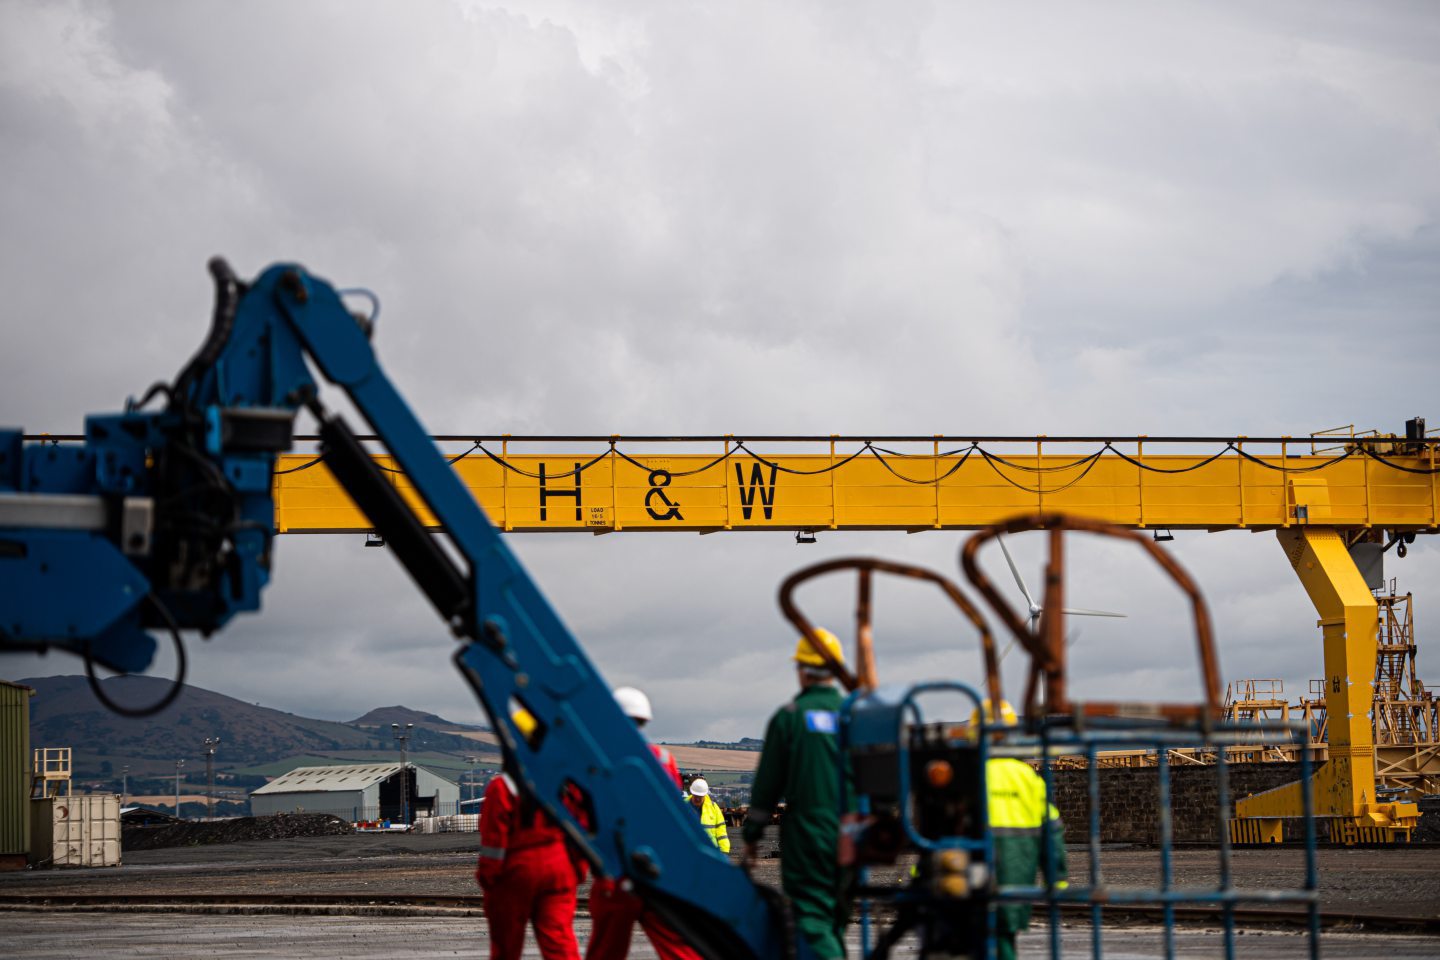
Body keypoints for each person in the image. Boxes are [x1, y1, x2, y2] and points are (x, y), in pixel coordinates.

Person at [741, 628, 849, 960]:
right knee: (835, 918)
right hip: (855, 832)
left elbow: (767, 787)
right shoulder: (855, 714)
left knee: (813, 920)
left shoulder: (790, 718)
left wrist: (752, 835)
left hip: (810, 833)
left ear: (803, 669)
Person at [585, 686, 702, 960]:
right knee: (677, 946)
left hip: (616, 868)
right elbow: (673, 812)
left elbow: (587, 812)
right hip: (657, 867)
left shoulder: (597, 759)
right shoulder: (663, 759)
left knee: (605, 950)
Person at [476, 710, 586, 960]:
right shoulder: (566, 786)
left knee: (507, 943)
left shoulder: (503, 787)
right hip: (560, 867)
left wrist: (489, 879)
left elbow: (493, 842)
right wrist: (577, 869)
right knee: (559, 940)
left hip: (517, 870)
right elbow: (580, 829)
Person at [969, 699, 1068, 960]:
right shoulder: (1027, 777)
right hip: (1018, 877)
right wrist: (1056, 876)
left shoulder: (969, 774)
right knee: (1005, 937)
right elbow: (1052, 831)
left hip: (972, 876)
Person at [687, 777, 730, 853]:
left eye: (700, 797)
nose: (698, 799)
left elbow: (721, 830)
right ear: (692, 793)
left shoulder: (713, 808)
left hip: (710, 851)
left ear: (705, 794)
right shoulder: (682, 806)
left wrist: (724, 850)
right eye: (696, 796)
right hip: (688, 850)